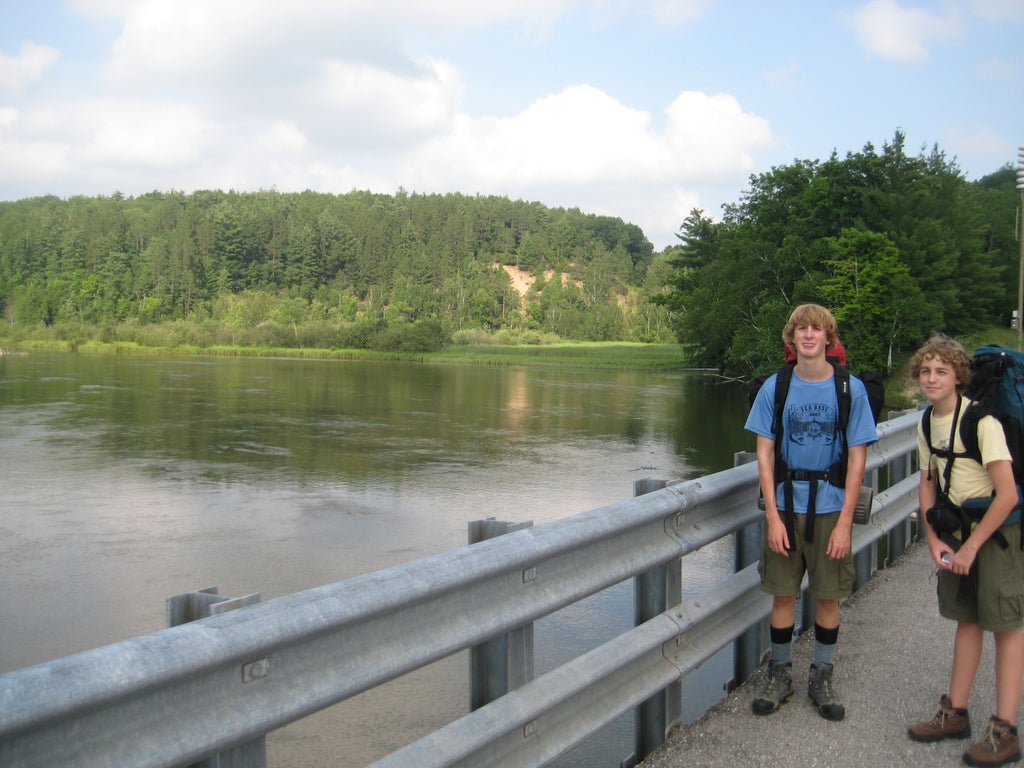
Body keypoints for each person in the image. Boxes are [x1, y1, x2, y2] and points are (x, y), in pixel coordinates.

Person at [744, 303, 877, 721]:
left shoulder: (848, 389)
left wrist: (844, 523)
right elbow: (764, 456)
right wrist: (771, 516)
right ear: (791, 338)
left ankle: (822, 676)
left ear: (827, 339)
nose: (807, 335)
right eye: (800, 329)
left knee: (827, 596)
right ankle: (779, 674)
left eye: (816, 330)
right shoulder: (776, 387)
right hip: (785, 505)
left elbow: (857, 460)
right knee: (783, 593)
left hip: (830, 509)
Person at [907, 333, 1024, 767]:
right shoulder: (926, 422)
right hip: (956, 534)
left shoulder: (983, 423)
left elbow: (1008, 494)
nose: (932, 378)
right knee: (968, 620)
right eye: (925, 371)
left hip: (993, 536)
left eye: (941, 371)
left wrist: (971, 546)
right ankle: (955, 712)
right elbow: (927, 481)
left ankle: (1005, 730)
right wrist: (934, 539)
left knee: (1006, 626)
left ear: (959, 376)